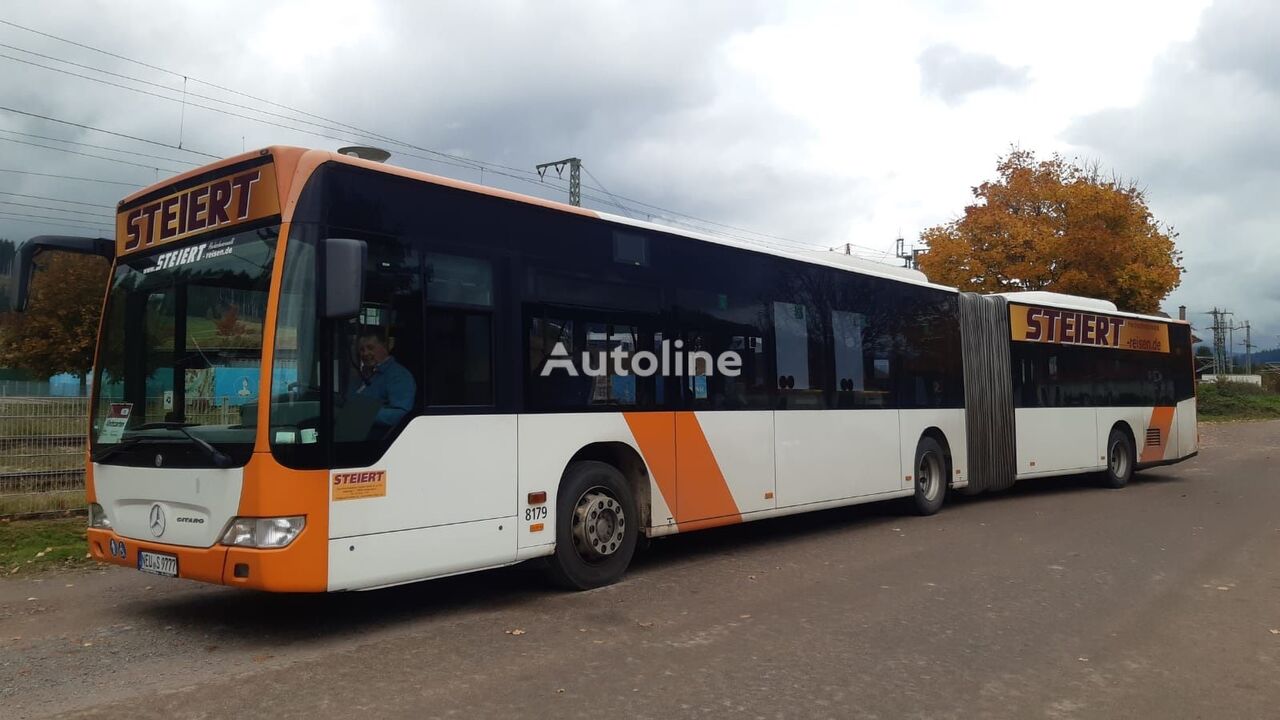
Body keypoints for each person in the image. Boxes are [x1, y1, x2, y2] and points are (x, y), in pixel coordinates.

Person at [351, 327, 416, 427]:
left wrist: (363, 414)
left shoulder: (398, 375)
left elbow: (402, 415)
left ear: (385, 346)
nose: (365, 353)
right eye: (362, 350)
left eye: (370, 348)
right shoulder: (362, 375)